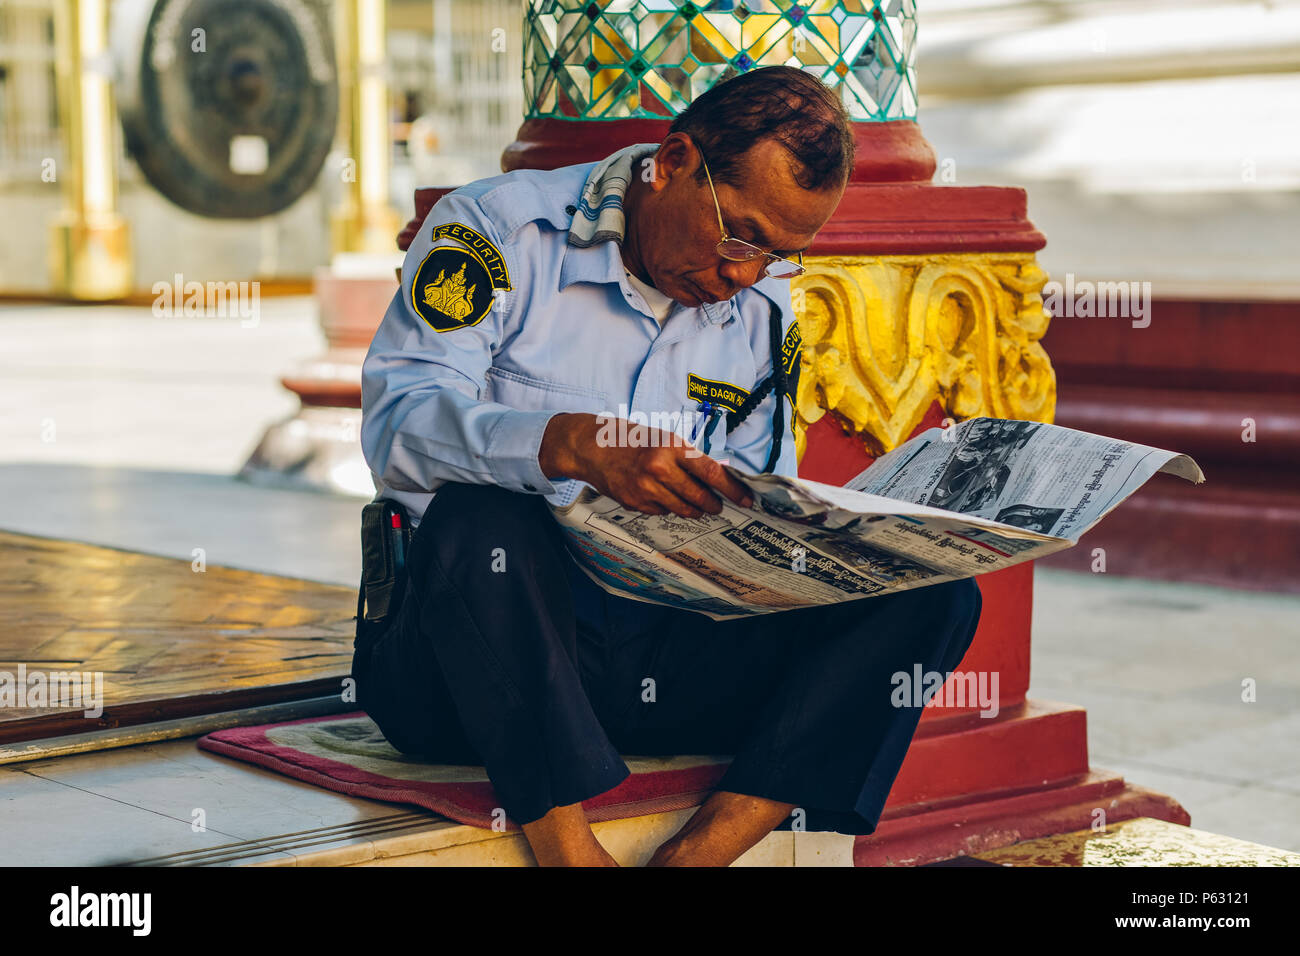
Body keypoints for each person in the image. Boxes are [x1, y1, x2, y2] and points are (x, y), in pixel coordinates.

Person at [354, 65, 983, 866]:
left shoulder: (760, 301)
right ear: (673, 161)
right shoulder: (497, 232)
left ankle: (703, 852)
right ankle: (570, 853)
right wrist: (562, 444)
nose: (745, 274)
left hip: (665, 655)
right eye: (740, 236)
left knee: (934, 594)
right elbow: (396, 427)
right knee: (484, 516)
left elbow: (764, 487)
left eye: (779, 254)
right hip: (471, 670)